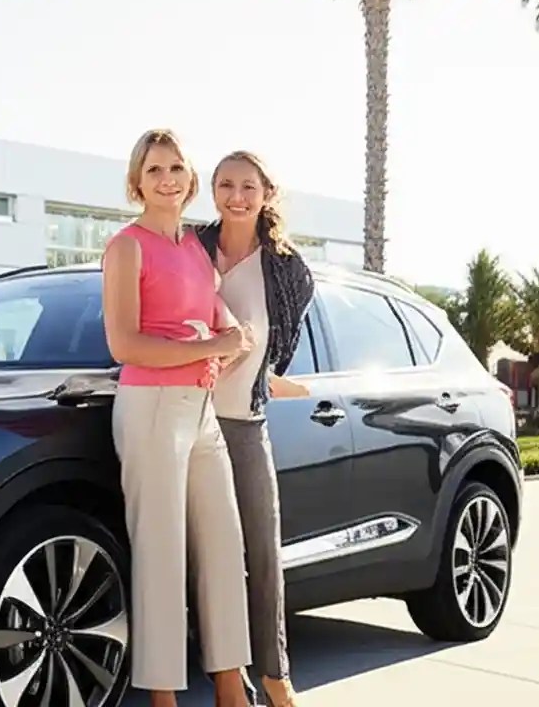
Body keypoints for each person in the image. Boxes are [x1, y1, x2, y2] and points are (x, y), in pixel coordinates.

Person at [101, 128, 256, 707]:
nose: (167, 179)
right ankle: (162, 695)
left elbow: (232, 332)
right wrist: (206, 347)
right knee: (160, 549)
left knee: (223, 545)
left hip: (201, 411)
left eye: (176, 169)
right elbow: (124, 344)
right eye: (154, 170)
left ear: (191, 180)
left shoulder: (194, 249)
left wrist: (221, 342)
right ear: (137, 182)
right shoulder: (127, 247)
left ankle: (229, 687)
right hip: (151, 408)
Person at [196, 150, 315, 707]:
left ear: (267, 193)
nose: (235, 196)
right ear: (212, 190)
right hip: (181, 418)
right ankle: (227, 676)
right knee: (202, 555)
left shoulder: (287, 270)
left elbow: (277, 353)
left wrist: (266, 379)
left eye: (247, 186)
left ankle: (274, 673)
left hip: (242, 422)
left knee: (262, 554)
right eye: (225, 184)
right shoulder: (189, 247)